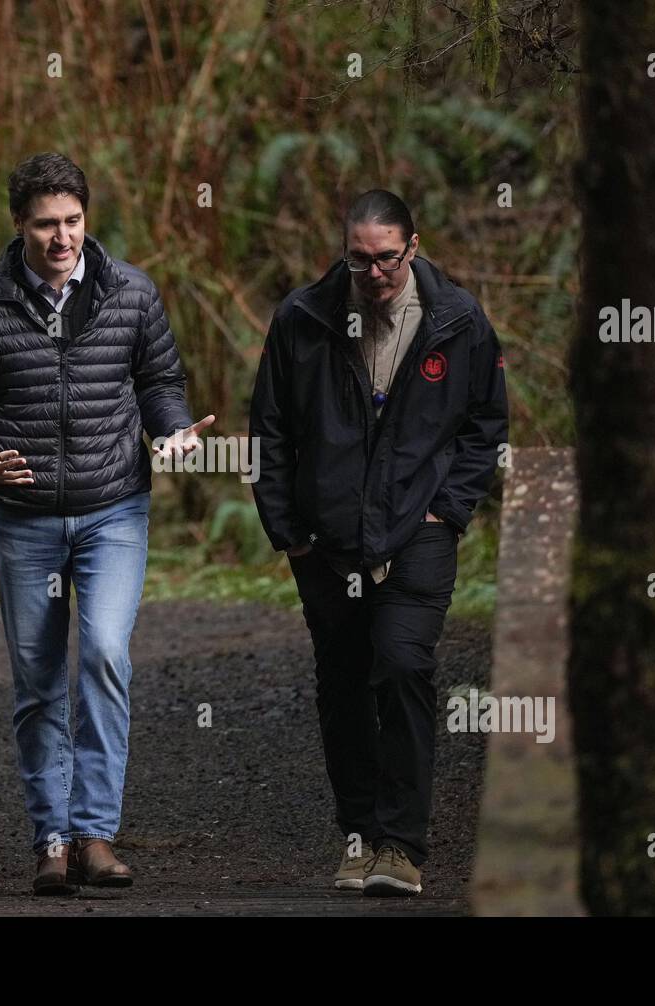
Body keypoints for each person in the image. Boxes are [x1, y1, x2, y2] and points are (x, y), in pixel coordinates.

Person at [0, 152, 213, 895]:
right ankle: (50, 839)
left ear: (88, 218)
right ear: (20, 225)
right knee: (38, 680)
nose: (63, 238)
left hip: (114, 507)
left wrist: (173, 429)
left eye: (74, 222)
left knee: (107, 654)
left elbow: (158, 380)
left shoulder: (131, 293)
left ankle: (95, 834)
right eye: (48, 224)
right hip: (25, 520)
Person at [249, 189, 508, 896]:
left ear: (413, 248)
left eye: (387, 258)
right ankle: (360, 836)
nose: (374, 272)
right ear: (344, 252)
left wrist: (448, 512)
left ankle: (401, 845)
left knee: (400, 666)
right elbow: (268, 430)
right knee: (342, 684)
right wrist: (289, 534)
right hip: (325, 541)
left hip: (419, 529)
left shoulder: (457, 320)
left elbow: (486, 425)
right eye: (359, 259)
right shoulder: (303, 319)